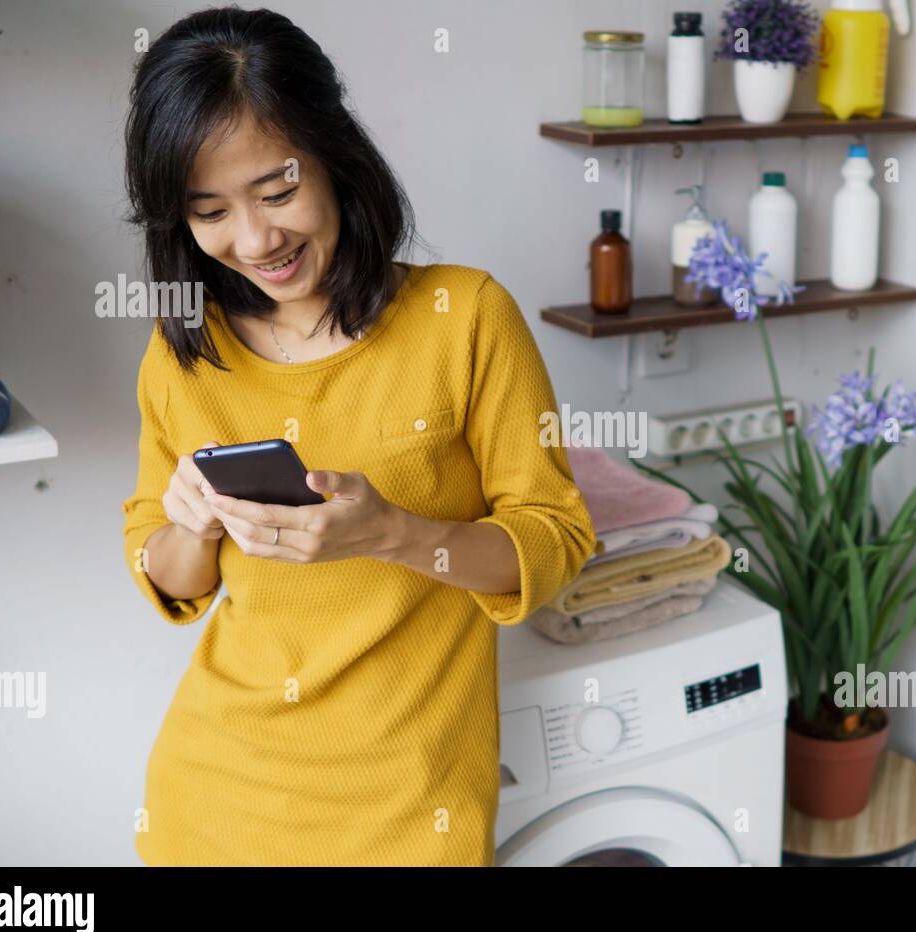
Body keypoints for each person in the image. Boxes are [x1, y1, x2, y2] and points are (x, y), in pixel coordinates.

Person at [119, 6, 595, 865]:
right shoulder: (183, 349)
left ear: (337, 159)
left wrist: (396, 534)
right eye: (210, 211)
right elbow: (169, 582)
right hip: (214, 802)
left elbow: (556, 541)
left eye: (278, 191)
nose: (257, 239)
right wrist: (188, 524)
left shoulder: (465, 318)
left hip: (411, 813)